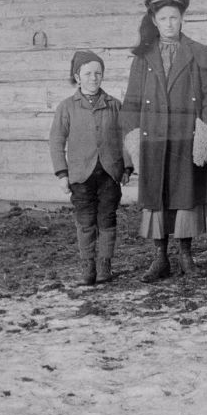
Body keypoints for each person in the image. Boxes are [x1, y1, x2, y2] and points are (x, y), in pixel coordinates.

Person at [121, 0, 207, 282]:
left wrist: (204, 136)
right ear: (154, 21)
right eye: (163, 18)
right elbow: (130, 103)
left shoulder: (196, 53)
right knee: (157, 199)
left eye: (174, 18)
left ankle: (186, 256)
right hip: (153, 140)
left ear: (182, 19)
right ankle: (160, 258)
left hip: (186, 139)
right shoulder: (143, 58)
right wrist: (134, 141)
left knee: (185, 198)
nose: (169, 23)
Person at [49, 50, 132, 287]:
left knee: (107, 218)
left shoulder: (114, 105)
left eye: (98, 73)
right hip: (80, 175)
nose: (93, 78)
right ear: (77, 77)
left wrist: (126, 167)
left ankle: (105, 264)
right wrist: (62, 174)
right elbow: (56, 140)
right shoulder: (67, 107)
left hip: (109, 173)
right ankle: (88, 266)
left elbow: (125, 136)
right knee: (86, 221)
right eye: (88, 73)